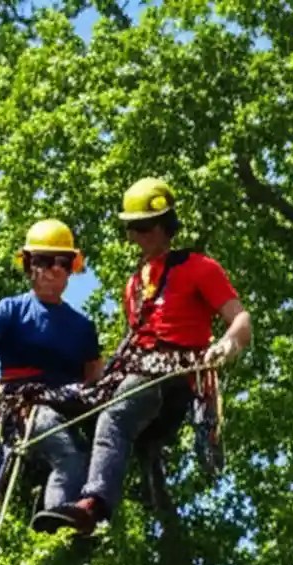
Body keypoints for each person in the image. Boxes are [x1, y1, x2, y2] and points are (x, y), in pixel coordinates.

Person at [31, 177, 253, 536]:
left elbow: (240, 319)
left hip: (172, 372)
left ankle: (93, 505)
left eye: (144, 227)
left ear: (166, 225)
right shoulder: (134, 284)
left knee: (115, 416)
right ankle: (59, 508)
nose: (137, 236)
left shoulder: (199, 267)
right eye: (132, 228)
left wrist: (225, 346)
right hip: (135, 369)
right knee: (65, 409)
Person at [0, 218, 102, 524]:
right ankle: (57, 518)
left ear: (72, 267)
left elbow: (96, 380)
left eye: (62, 261)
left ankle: (69, 517)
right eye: (44, 261)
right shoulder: (11, 311)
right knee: (68, 455)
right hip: (24, 410)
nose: (54, 269)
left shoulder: (82, 328)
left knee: (84, 454)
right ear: (29, 266)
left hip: (66, 409)